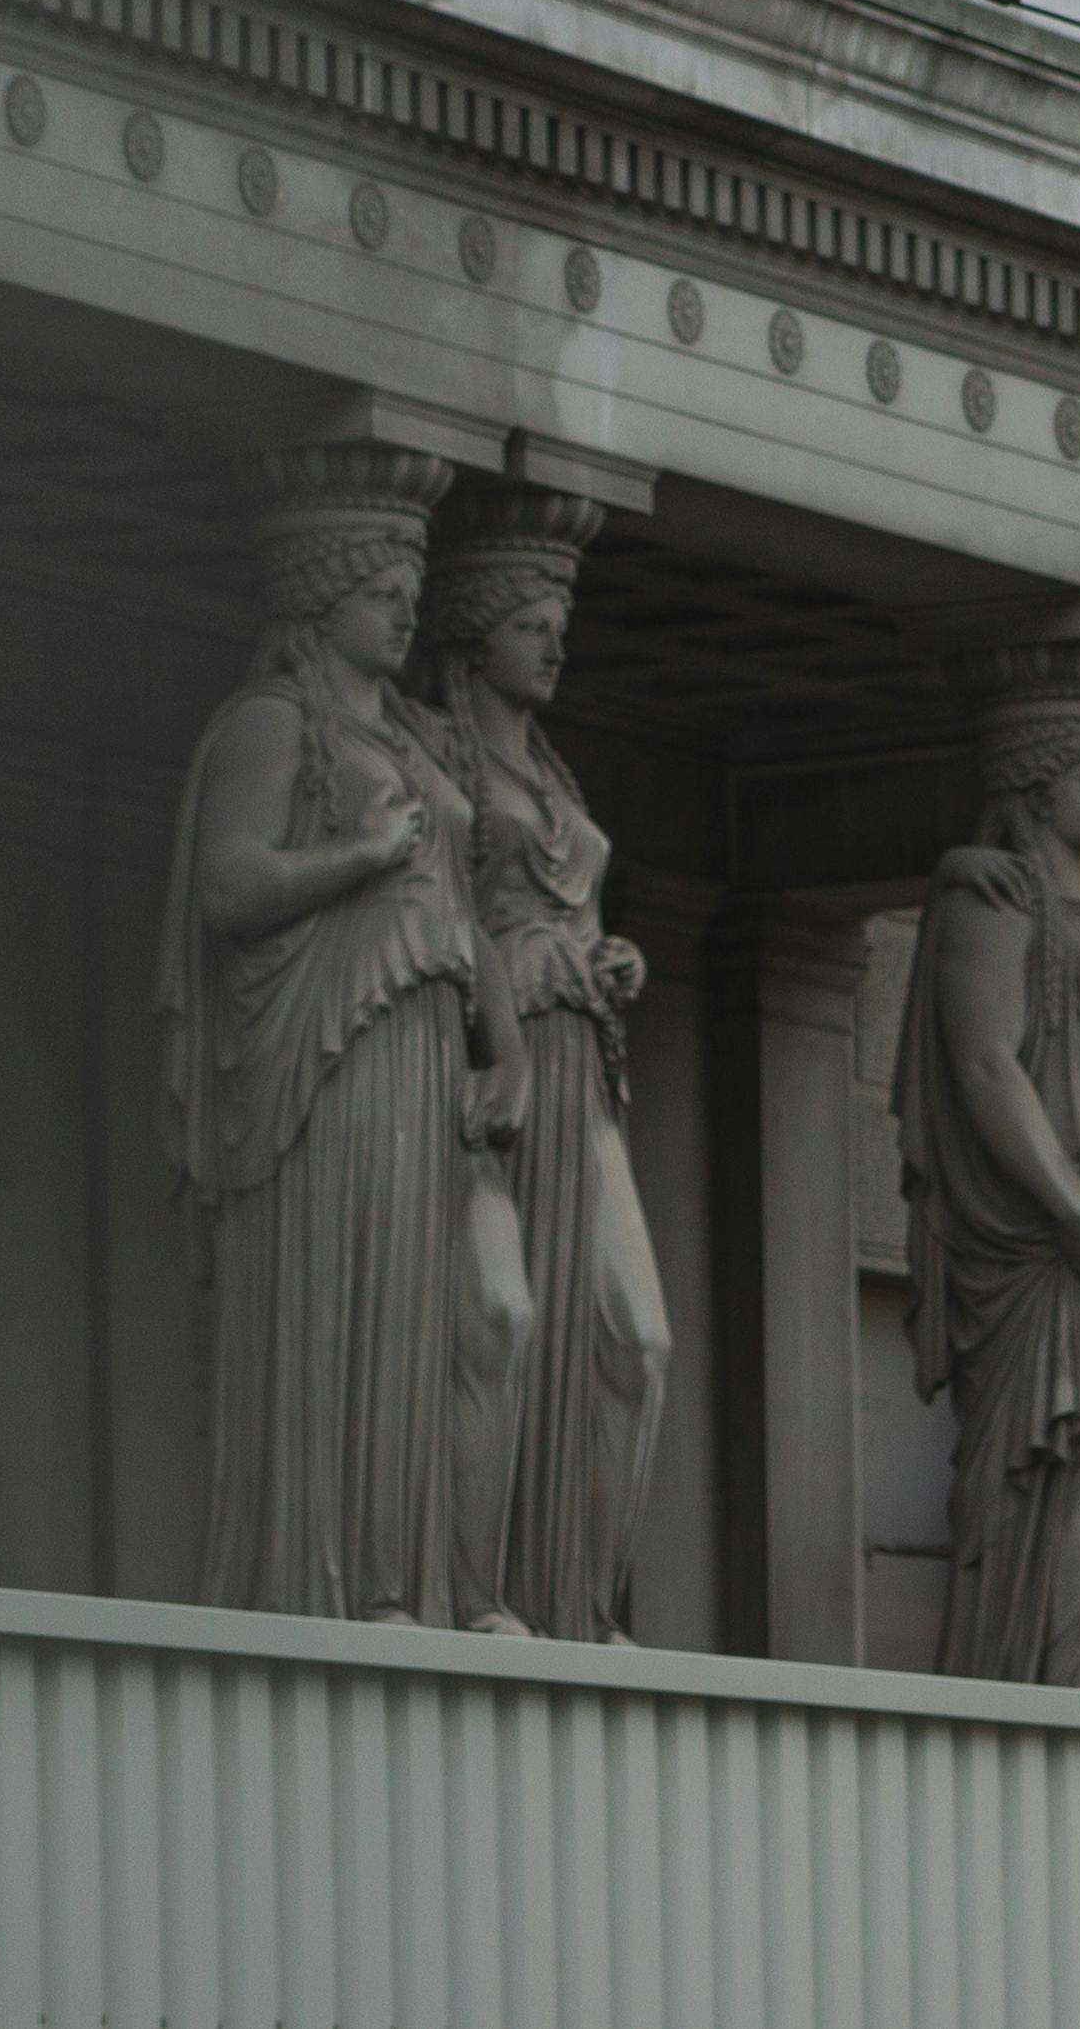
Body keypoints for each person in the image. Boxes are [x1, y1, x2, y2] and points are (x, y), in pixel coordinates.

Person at [160, 444, 536, 1627]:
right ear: (324, 597)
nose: (407, 609)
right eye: (383, 591)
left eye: (411, 588)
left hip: (425, 1054)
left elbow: (462, 911)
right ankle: (335, 1584)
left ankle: (426, 1580)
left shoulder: (415, 740)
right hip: (329, 1057)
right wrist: (364, 855)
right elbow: (229, 884)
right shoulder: (271, 725)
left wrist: (510, 1049)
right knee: (348, 1313)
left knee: (455, 1316)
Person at [893, 644, 1080, 1687]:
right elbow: (985, 1066)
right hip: (1054, 1227)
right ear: (1036, 781)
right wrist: (1073, 1211)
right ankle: (1041, 1683)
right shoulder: (996, 898)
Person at [407, 486, 669, 1644]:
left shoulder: (557, 778)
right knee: (497, 1323)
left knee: (637, 1340)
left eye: (560, 622)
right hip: (490, 1068)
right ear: (475, 634)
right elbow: (439, 906)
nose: (556, 643)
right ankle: (479, 1591)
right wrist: (503, 1033)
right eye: (532, 623)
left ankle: (588, 1605)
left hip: (584, 1063)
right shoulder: (437, 754)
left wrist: (613, 956)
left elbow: (578, 904)